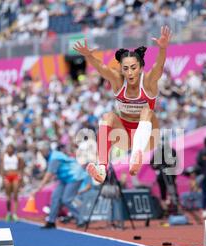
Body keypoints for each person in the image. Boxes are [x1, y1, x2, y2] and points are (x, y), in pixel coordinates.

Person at [73, 26, 172, 184]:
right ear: (121, 70)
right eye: (125, 69)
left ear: (140, 68)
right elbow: (102, 68)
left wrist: (163, 49)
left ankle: (136, 155)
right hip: (124, 137)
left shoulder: (148, 82)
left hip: (148, 138)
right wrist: (89, 56)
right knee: (108, 116)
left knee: (147, 112)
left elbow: (158, 66)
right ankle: (102, 168)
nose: (130, 72)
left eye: (133, 68)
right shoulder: (118, 81)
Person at [31, 145, 88, 229]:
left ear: (46, 150)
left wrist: (39, 188)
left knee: (66, 199)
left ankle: (81, 220)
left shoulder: (54, 158)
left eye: (42, 152)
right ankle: (51, 221)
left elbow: (49, 175)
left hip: (75, 176)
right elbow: (48, 172)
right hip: (65, 178)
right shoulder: (52, 156)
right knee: (55, 197)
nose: (41, 154)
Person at [150, 133, 178, 214]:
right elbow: (152, 164)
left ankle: (175, 208)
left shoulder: (172, 151)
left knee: (173, 192)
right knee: (163, 194)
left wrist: (170, 164)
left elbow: (175, 163)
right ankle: (165, 210)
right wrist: (157, 165)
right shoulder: (158, 151)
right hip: (162, 176)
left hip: (170, 176)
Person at [1, 144, 24, 222]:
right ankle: (8, 213)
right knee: (8, 196)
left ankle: (14, 214)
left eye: (10, 148)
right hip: (7, 176)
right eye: (8, 148)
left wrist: (20, 175)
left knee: (15, 195)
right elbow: (1, 167)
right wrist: (3, 178)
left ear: (13, 149)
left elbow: (22, 166)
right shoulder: (3, 157)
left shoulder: (17, 157)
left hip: (15, 176)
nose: (9, 150)